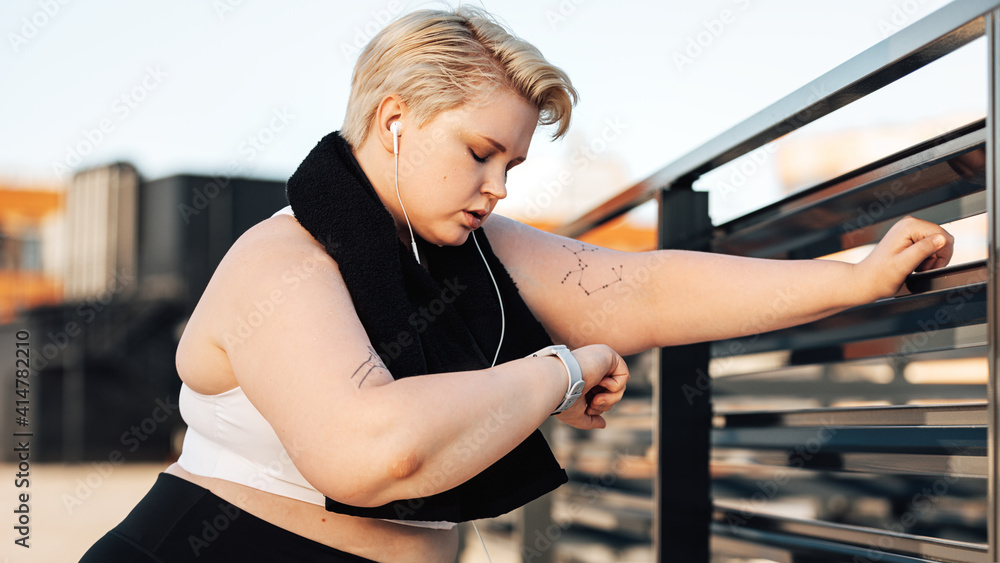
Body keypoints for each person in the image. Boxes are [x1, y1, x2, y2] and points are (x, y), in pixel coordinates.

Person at [80, 5, 955, 563]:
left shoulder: (465, 247)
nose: (501, 185)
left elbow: (638, 292)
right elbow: (371, 451)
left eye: (513, 161)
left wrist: (851, 277)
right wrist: (558, 372)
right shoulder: (287, 260)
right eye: (479, 153)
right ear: (395, 121)